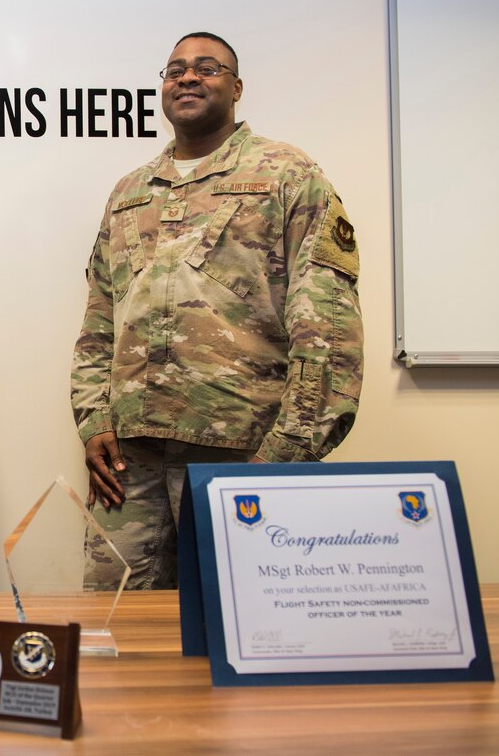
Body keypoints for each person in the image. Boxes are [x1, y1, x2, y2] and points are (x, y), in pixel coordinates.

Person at [70, 32, 363, 590]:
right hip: (131, 460)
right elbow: (100, 320)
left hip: (243, 449)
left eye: (207, 67)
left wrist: (289, 452)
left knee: (244, 621)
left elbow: (327, 326)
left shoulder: (287, 174)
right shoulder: (131, 191)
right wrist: (93, 420)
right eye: (175, 69)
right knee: (118, 624)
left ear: (236, 86)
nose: (187, 77)